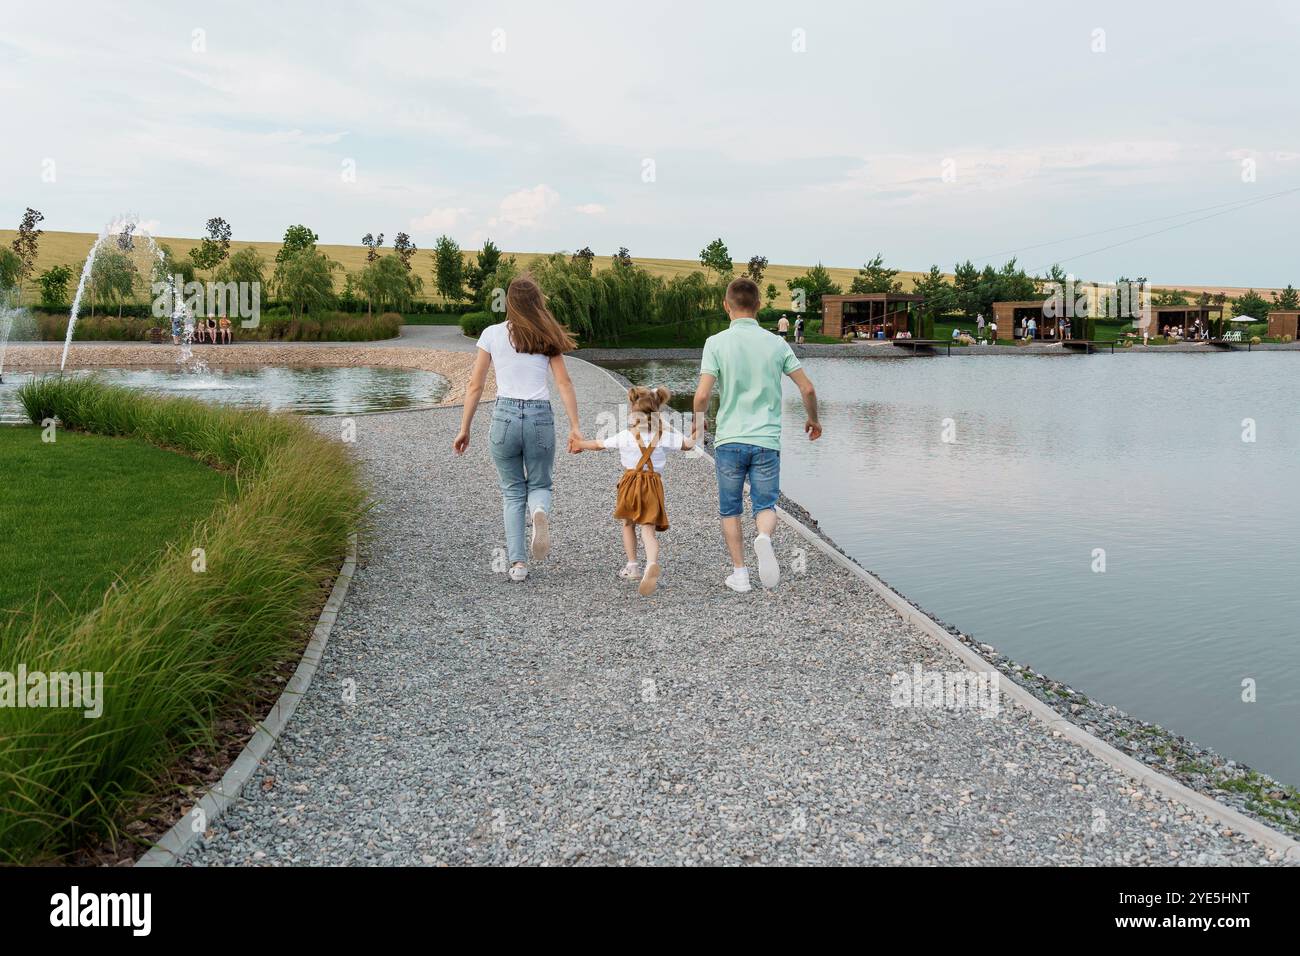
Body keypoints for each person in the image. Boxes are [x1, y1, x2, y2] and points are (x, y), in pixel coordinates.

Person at [693, 277, 821, 593]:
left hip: (729, 441)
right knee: (765, 504)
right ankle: (763, 537)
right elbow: (807, 387)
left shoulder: (716, 342)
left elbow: (701, 396)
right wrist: (813, 420)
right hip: (765, 441)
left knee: (730, 508)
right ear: (759, 306)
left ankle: (740, 574)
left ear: (727, 306)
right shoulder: (776, 344)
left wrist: (699, 421)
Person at [453, 275, 582, 583]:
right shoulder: (546, 335)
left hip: (504, 417)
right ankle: (539, 511)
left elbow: (475, 384)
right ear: (537, 302)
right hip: (539, 417)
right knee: (540, 484)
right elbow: (564, 383)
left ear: (509, 302)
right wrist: (576, 427)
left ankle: (518, 565)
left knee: (512, 492)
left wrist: (464, 428)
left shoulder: (491, 334)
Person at [571, 386, 695, 596]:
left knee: (628, 523)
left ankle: (633, 566)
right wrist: (697, 429)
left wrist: (579, 443)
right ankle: (652, 562)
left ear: (632, 413)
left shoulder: (626, 435)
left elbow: (599, 444)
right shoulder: (663, 436)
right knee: (648, 529)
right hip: (653, 485)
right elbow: (688, 445)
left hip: (629, 484)